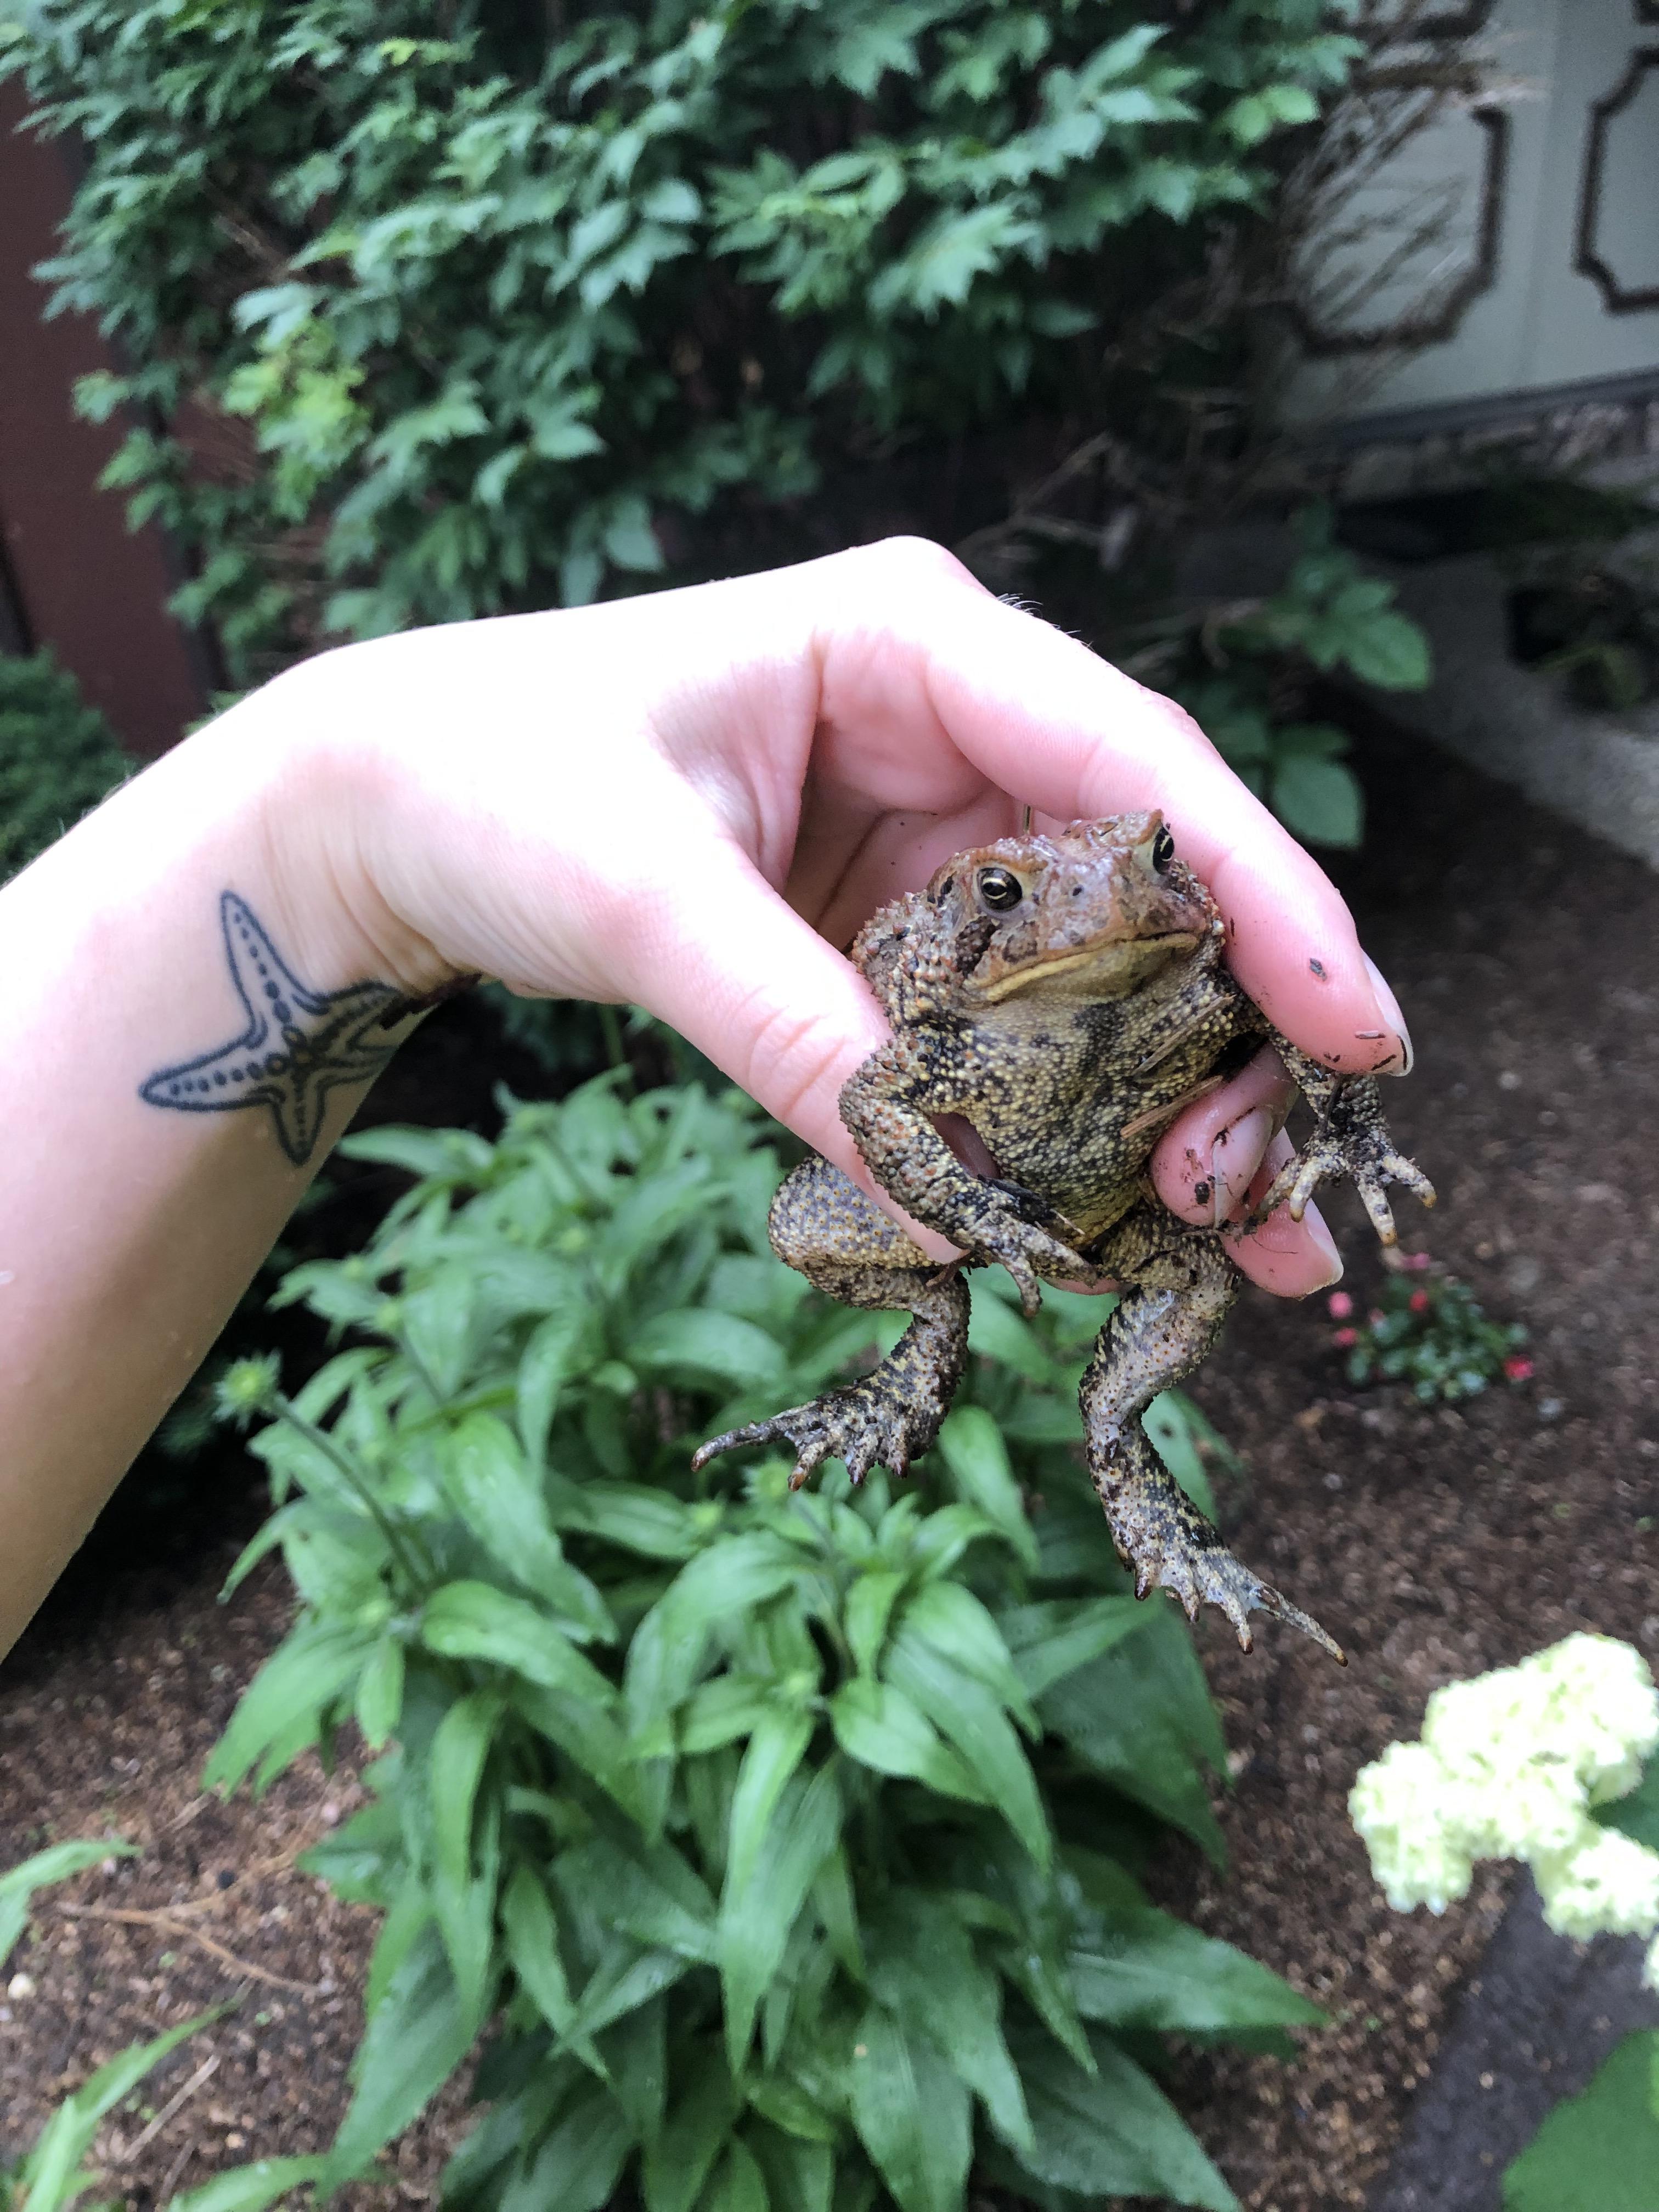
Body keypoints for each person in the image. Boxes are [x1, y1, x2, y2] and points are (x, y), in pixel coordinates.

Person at [0, 538, 1410, 1660]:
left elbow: (1295, 1034)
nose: (1102, 899)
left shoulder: (1191, 975)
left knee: (1193, 1285)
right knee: (814, 1217)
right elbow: (874, 1106)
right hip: (1005, 1179)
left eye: (1151, 860)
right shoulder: (954, 1020)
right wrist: (962, 1210)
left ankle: (1145, 1511)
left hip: (1130, 1215)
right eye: (1013, 892)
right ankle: (924, 1355)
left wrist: (1343, 1117)